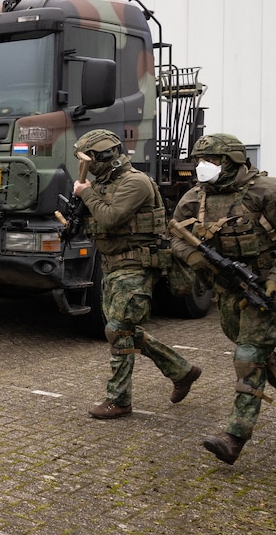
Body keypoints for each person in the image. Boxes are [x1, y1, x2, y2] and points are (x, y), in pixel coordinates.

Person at [72, 129, 201, 420]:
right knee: (125, 329)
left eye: (88, 159)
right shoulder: (105, 184)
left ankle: (118, 400)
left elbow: (110, 217)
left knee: (118, 329)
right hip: (113, 265)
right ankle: (182, 371)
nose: (87, 166)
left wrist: (86, 192)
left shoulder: (135, 182)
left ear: (103, 156)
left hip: (136, 265)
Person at [170, 133, 276, 464]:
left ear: (230, 162)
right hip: (228, 292)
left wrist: (273, 279)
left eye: (210, 161)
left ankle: (234, 437)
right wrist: (194, 258)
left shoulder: (266, 192)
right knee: (258, 355)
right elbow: (175, 234)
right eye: (199, 160)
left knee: (248, 356)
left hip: (265, 288)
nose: (201, 167)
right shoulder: (193, 197)